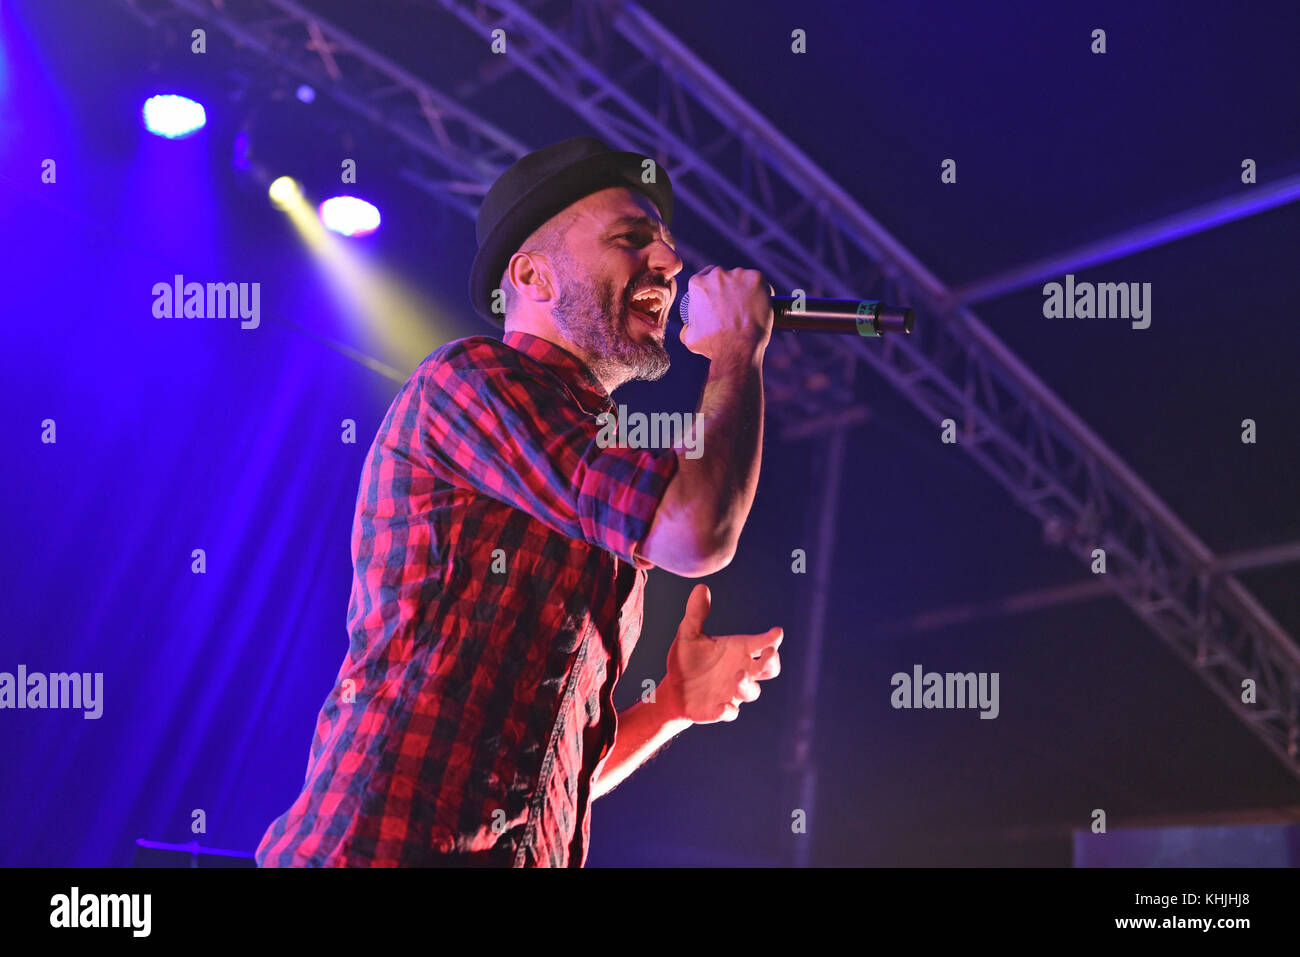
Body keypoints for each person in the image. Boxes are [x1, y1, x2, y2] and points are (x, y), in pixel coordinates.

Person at [256, 137, 783, 867]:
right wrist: (736, 352)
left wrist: (668, 709)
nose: (669, 263)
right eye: (633, 239)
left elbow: (542, 781)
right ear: (531, 274)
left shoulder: (592, 474)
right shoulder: (470, 380)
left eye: (665, 248)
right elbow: (699, 530)